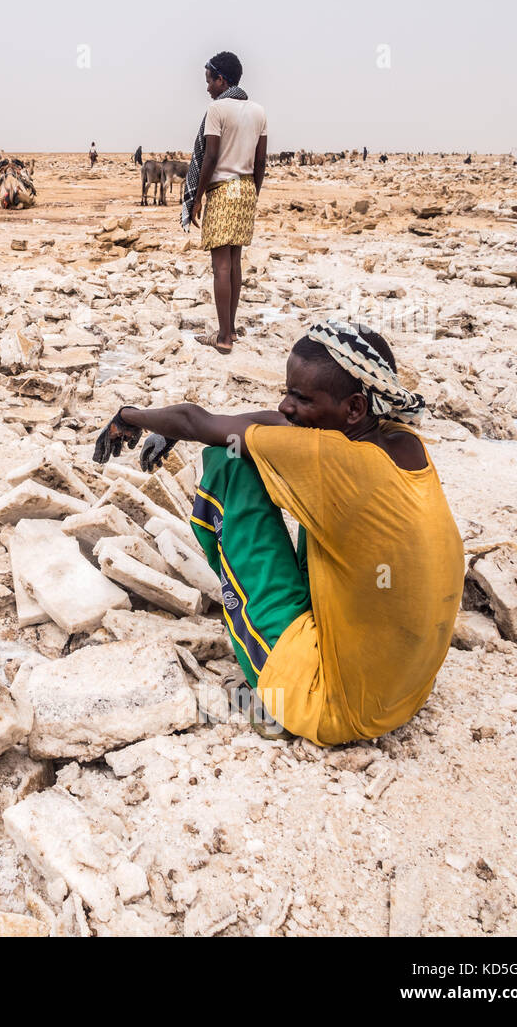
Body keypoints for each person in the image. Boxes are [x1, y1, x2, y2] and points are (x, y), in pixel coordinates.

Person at [93, 319, 464, 746]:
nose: (287, 405)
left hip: (336, 711)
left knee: (229, 460)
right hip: (403, 695)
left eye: (301, 397)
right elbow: (275, 424)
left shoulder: (331, 462)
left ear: (355, 408)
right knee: (268, 459)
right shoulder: (400, 441)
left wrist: (129, 417)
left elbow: (198, 422)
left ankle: (269, 686)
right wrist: (171, 428)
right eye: (287, 392)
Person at [181, 51, 267, 355]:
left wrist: (197, 198)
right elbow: (260, 161)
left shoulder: (217, 110)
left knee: (220, 266)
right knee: (235, 262)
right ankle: (228, 329)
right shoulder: (258, 111)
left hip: (221, 189)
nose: (207, 88)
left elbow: (211, 157)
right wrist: (252, 193)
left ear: (222, 79)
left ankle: (224, 339)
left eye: (209, 80)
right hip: (246, 190)